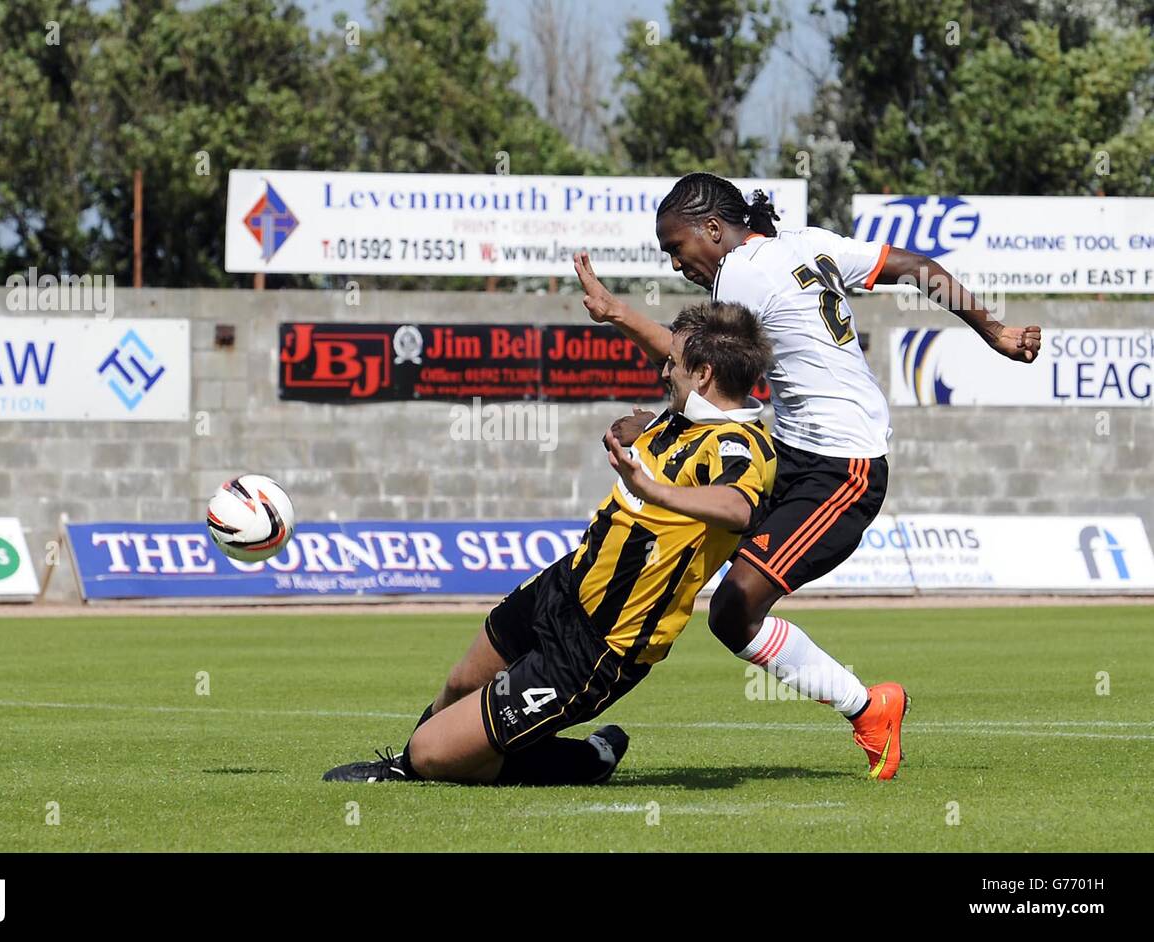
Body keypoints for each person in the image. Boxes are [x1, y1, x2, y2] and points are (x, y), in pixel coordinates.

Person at [573, 171, 1043, 779]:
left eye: (676, 247)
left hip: (840, 467)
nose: (674, 263)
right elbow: (916, 266)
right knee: (690, 562)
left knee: (735, 608)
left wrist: (619, 320)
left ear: (714, 230)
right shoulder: (805, 243)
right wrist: (995, 331)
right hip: (793, 452)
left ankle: (870, 708)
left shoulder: (740, 271)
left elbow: (691, 366)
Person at [323, 300, 776, 784]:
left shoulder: (740, 445)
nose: (664, 367)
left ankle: (583, 761)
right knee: (459, 683)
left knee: (434, 754)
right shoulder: (680, 417)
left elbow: (738, 507)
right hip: (562, 587)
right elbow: (665, 403)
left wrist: (652, 489)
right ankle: (410, 761)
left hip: (601, 644)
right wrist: (616, 322)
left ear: (704, 374)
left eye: (674, 360)